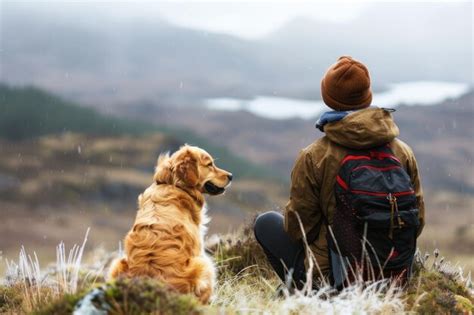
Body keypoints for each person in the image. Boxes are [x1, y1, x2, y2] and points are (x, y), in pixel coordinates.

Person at [254, 56, 425, 290]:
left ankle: (304, 294)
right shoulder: (402, 152)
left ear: (329, 98)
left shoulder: (315, 156)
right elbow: (418, 220)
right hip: (395, 276)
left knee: (266, 223)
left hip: (335, 280)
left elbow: (299, 228)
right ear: (368, 95)